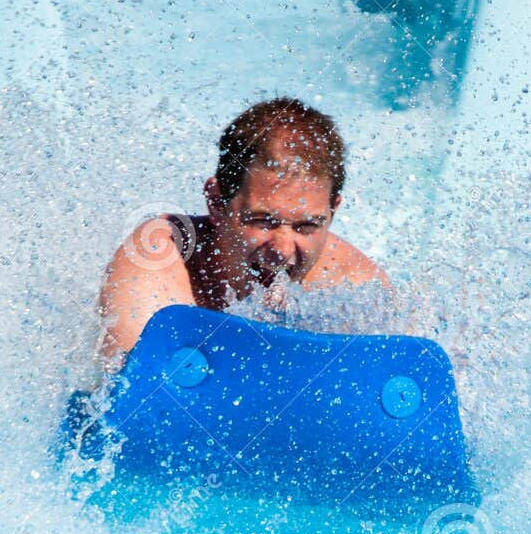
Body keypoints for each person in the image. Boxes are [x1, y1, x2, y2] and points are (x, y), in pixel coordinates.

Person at [100, 98, 390, 366]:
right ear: (216, 203)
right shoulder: (160, 256)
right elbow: (137, 399)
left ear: (332, 212)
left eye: (307, 226)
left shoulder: (354, 286)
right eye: (263, 221)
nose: (283, 250)